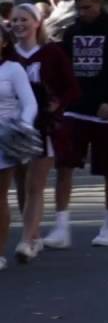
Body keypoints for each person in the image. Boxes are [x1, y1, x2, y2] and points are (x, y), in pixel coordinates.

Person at [47, 0, 108, 249]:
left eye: (88, 7)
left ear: (98, 0)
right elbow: (63, 69)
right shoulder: (72, 32)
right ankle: (61, 227)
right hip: (75, 108)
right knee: (64, 166)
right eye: (79, 8)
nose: (84, 12)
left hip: (104, 110)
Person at [6, 3, 79, 263]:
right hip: (12, 128)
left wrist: (57, 104)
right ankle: (34, 234)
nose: (18, 25)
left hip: (42, 126)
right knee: (21, 184)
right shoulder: (9, 56)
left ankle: (26, 241)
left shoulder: (52, 53)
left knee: (35, 185)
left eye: (24, 19)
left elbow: (71, 87)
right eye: (14, 21)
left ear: (37, 22)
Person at [0, 25, 38, 271]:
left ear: (4, 42)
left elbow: (30, 104)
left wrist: (22, 128)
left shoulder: (13, 69)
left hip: (4, 138)